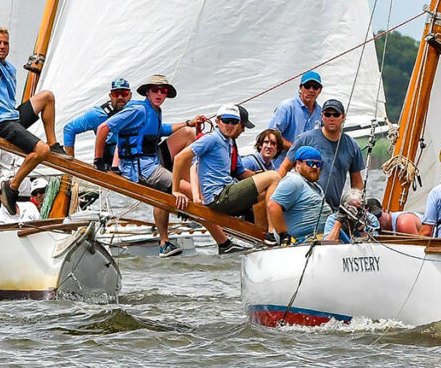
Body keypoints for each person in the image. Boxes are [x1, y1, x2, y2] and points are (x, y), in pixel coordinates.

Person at [0, 27, 66, 216]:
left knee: (47, 97)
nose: (2, 46)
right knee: (40, 150)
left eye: (5, 43)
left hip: (11, 117)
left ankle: (54, 144)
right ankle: (12, 187)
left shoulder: (9, 67)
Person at [95, 74, 190, 257]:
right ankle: (188, 206)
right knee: (189, 191)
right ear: (147, 91)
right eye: (155, 90)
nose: (159, 94)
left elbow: (160, 130)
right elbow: (103, 129)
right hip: (140, 169)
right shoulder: (138, 110)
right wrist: (98, 161)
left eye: (163, 91)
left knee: (188, 133)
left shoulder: (155, 111)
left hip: (151, 161)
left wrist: (188, 123)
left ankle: (165, 243)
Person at [173, 104, 279, 253]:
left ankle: (265, 238)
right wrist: (177, 191)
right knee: (274, 176)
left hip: (227, 193)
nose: (230, 125)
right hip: (220, 197)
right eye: (226, 121)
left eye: (234, 122)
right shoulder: (211, 139)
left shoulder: (228, 142)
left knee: (271, 187)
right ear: (218, 121)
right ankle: (272, 233)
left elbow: (240, 172)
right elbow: (180, 159)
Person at [275, 99, 364, 210]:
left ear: (343, 117)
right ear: (322, 116)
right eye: (327, 114)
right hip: (303, 207)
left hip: (332, 209)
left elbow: (357, 182)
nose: (331, 118)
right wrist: (278, 197)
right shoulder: (305, 139)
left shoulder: (352, 146)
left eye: (336, 115)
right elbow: (285, 167)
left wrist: (355, 200)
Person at [267, 146, 331, 243]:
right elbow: (272, 206)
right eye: (310, 163)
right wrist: (284, 236)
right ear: (298, 164)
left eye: (318, 164)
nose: (314, 167)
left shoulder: (313, 185)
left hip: (320, 240)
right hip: (300, 244)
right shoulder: (293, 181)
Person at [63, 78, 133, 162]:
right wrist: (70, 161)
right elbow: (69, 128)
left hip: (132, 165)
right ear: (110, 96)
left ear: (130, 95)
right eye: (116, 94)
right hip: (107, 167)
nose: (120, 97)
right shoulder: (99, 115)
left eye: (124, 93)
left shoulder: (138, 112)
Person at [267, 70, 323, 165]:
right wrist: (296, 148)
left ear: (320, 90)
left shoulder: (321, 113)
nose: (311, 90)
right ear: (301, 88)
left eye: (315, 87)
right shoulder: (287, 107)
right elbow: (271, 134)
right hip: (280, 165)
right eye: (307, 86)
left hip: (307, 167)